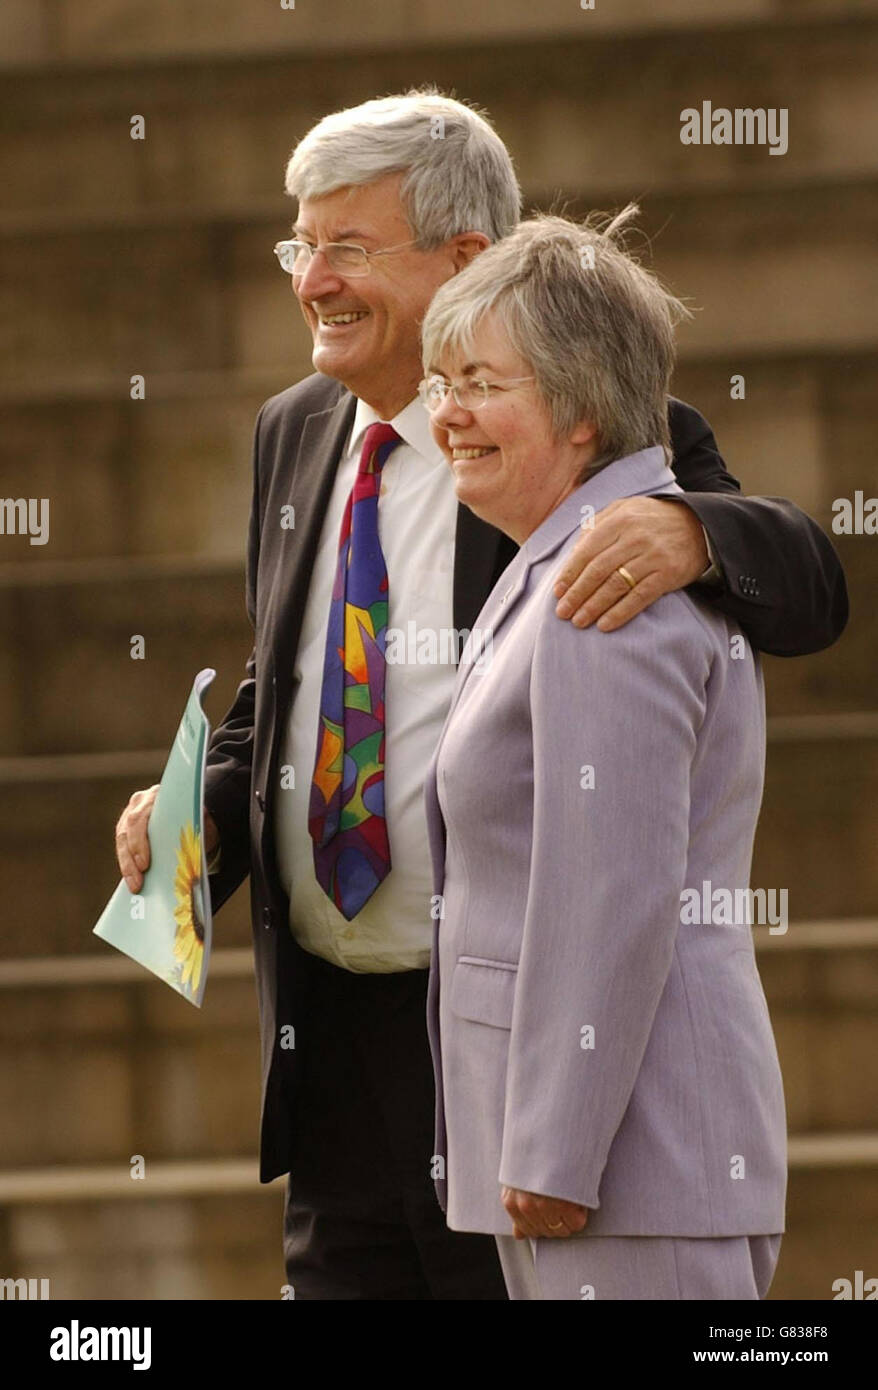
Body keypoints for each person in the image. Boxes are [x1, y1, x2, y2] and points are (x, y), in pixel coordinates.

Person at [114, 91, 844, 1301]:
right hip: (328, 1048)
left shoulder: (566, 424)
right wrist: (199, 804)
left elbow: (809, 582)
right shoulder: (290, 432)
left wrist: (690, 529)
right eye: (300, 247)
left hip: (501, 1058)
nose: (311, 281)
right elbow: (287, 686)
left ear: (465, 257)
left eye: (346, 247)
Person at [420, 207, 788, 1301]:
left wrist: (551, 1145)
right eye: (440, 383)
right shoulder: (565, 557)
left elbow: (613, 887)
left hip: (626, 1167)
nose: (447, 415)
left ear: (581, 408)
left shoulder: (608, 582)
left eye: (480, 382)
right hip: (607, 1168)